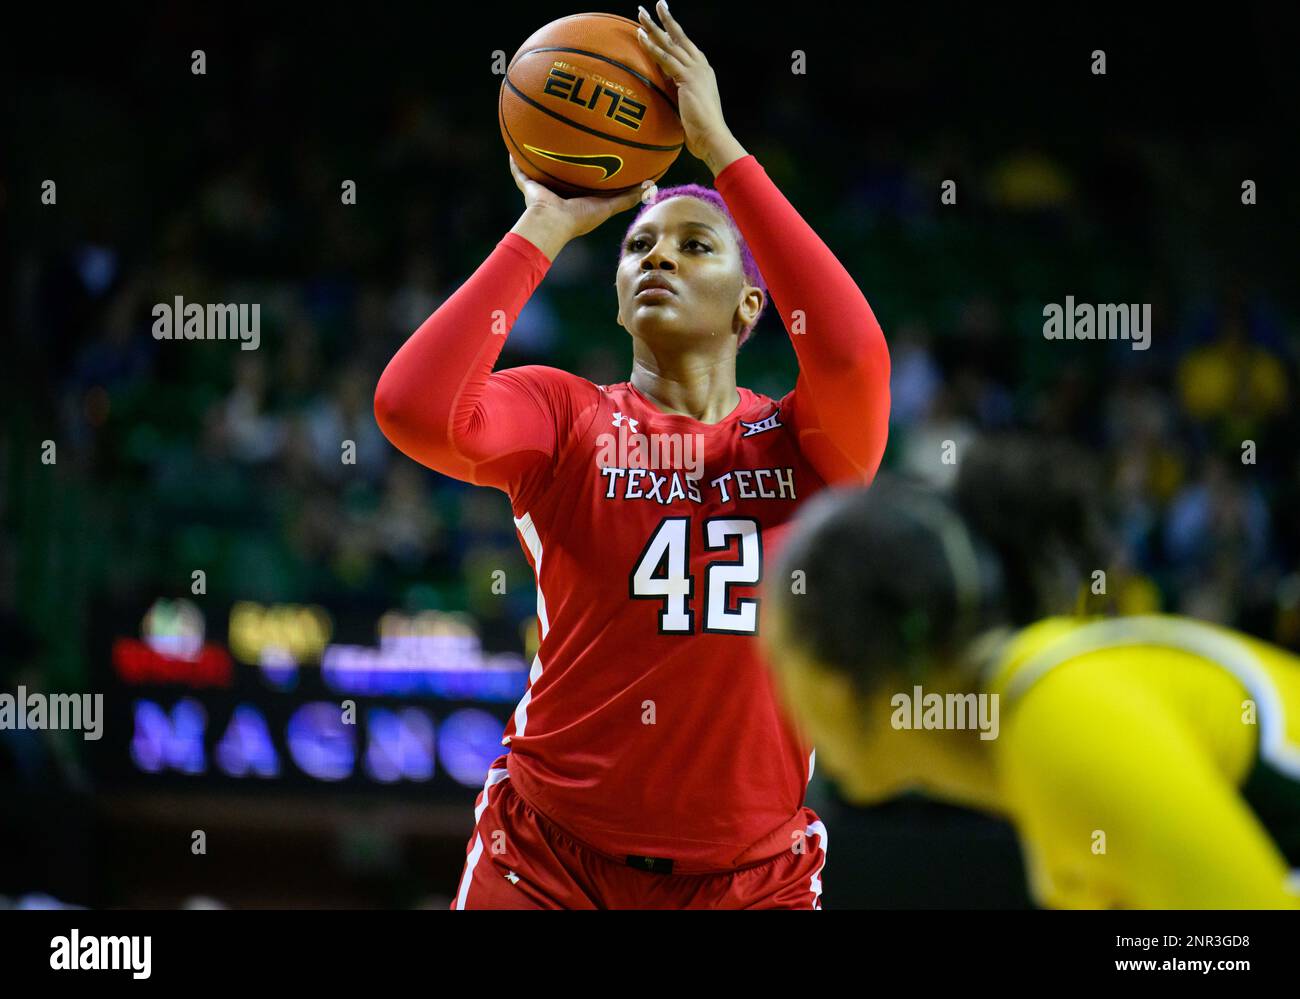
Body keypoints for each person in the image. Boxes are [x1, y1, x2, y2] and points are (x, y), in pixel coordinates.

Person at [373, 1, 890, 909]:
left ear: (749, 307)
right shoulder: (565, 415)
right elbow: (412, 408)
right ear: (614, 298)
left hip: (748, 882)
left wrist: (722, 150)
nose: (660, 257)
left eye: (698, 246)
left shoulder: (811, 446)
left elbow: (851, 353)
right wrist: (543, 225)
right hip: (547, 859)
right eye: (640, 246)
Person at [760, 439, 1300, 908]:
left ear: (840, 675)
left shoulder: (1057, 712)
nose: (781, 697)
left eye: (778, 659)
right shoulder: (1039, 777)